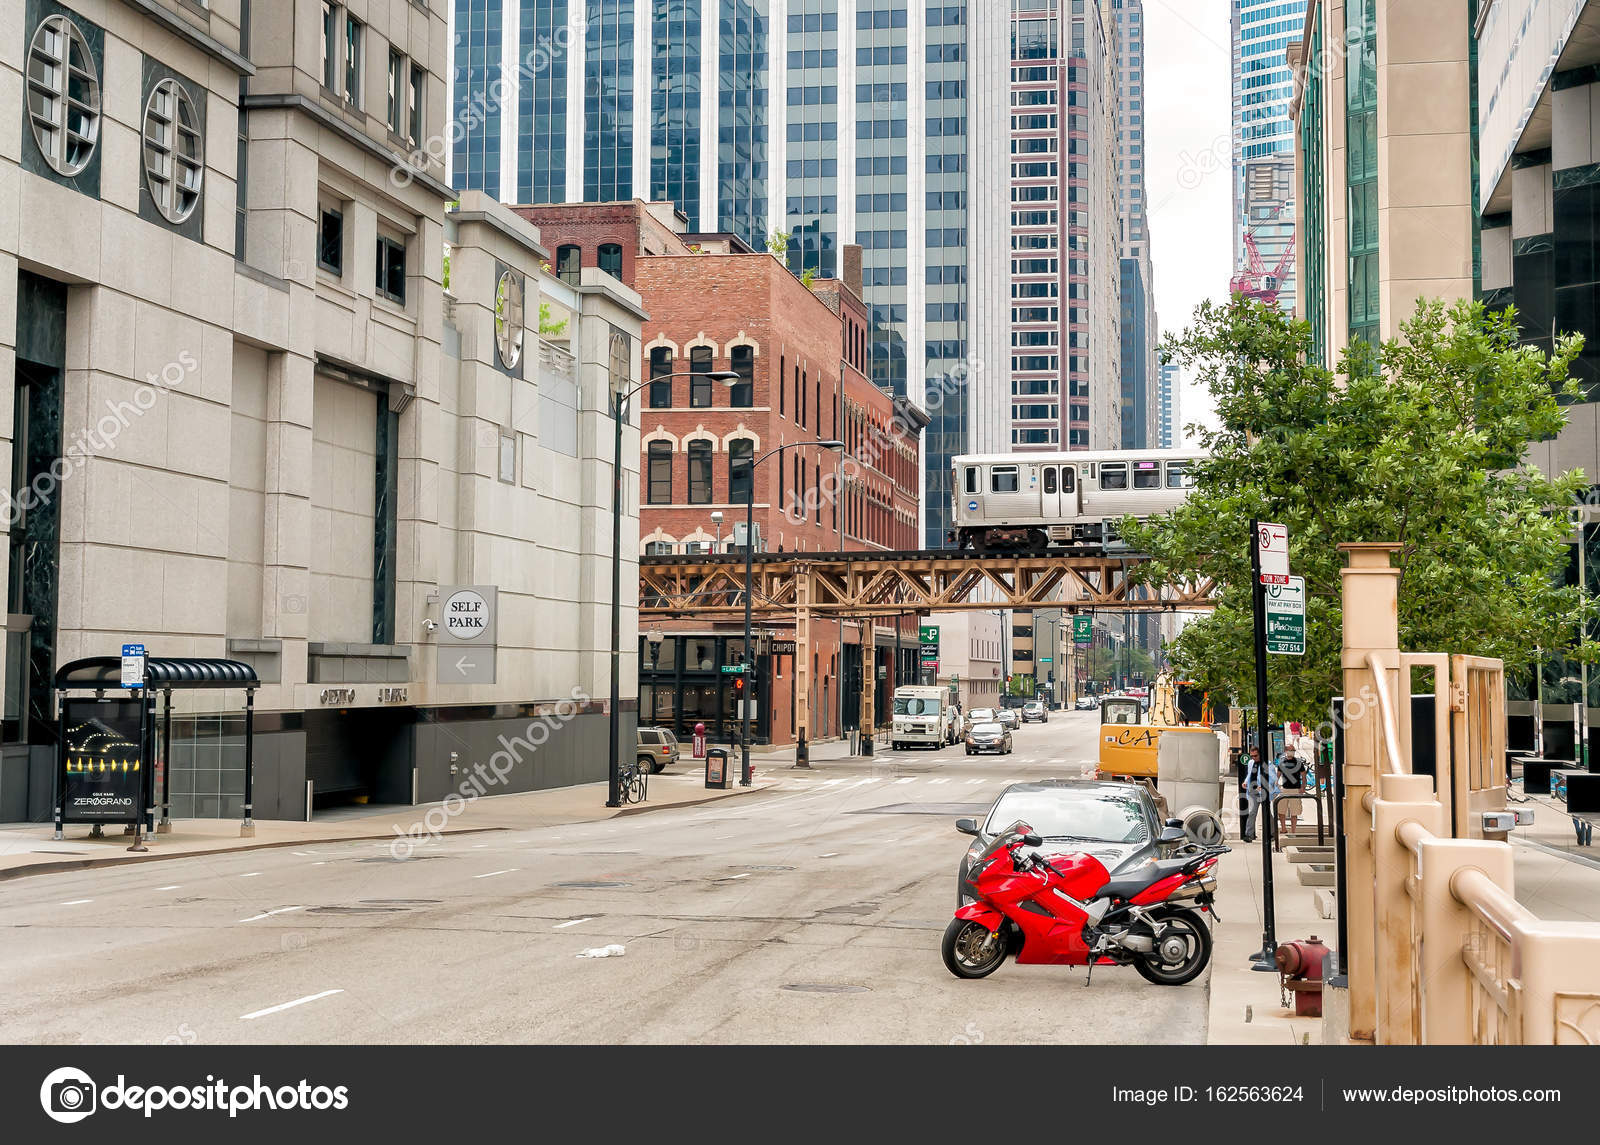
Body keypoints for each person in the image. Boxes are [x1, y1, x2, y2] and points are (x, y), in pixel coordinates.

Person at [1240, 745, 1275, 843]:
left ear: (1260, 754)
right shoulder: (1251, 763)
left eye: (1255, 756)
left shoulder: (1268, 764)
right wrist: (1246, 782)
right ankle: (1249, 835)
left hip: (1263, 792)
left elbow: (1272, 779)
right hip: (1252, 791)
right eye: (1252, 756)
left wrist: (1263, 786)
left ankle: (1272, 833)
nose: (1253, 758)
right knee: (1252, 813)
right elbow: (1250, 774)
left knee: (1267, 813)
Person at [1276, 745, 1305, 840]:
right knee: (1281, 810)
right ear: (1285, 751)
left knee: (1294, 812)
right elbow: (1278, 775)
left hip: (1295, 789)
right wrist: (1276, 786)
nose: (1292, 752)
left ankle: (1293, 831)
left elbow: (1303, 776)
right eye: (1290, 750)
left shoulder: (1299, 762)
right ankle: (1283, 828)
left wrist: (1302, 787)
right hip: (1284, 789)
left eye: (1293, 750)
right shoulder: (1282, 762)